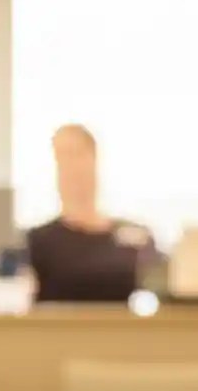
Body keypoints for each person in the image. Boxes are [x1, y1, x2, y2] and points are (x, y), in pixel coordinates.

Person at [26, 124, 158, 302]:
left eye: (77, 154)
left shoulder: (136, 238)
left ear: (94, 159)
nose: (71, 166)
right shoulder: (39, 242)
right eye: (62, 156)